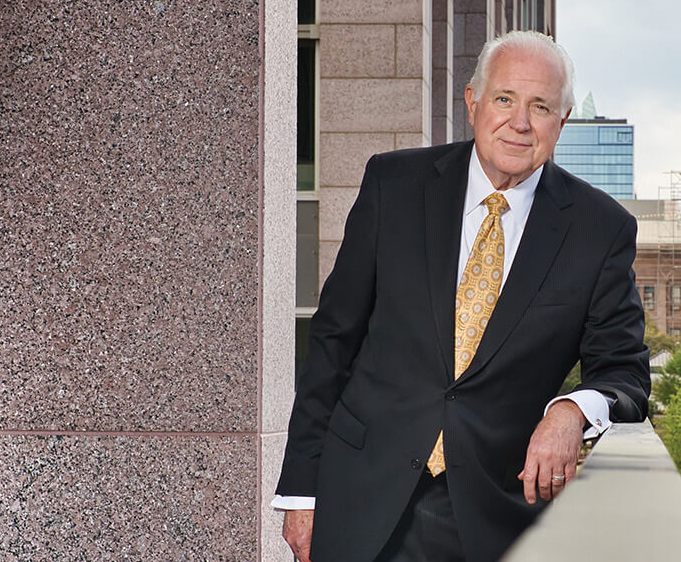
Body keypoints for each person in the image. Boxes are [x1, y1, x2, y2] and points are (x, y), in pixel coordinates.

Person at [275, 31, 650, 562]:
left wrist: (570, 411)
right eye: (505, 99)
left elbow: (627, 374)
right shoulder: (394, 184)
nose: (519, 123)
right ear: (472, 102)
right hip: (359, 496)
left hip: (491, 517)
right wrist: (300, 491)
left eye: (540, 106)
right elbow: (333, 344)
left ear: (562, 123)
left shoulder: (600, 229)